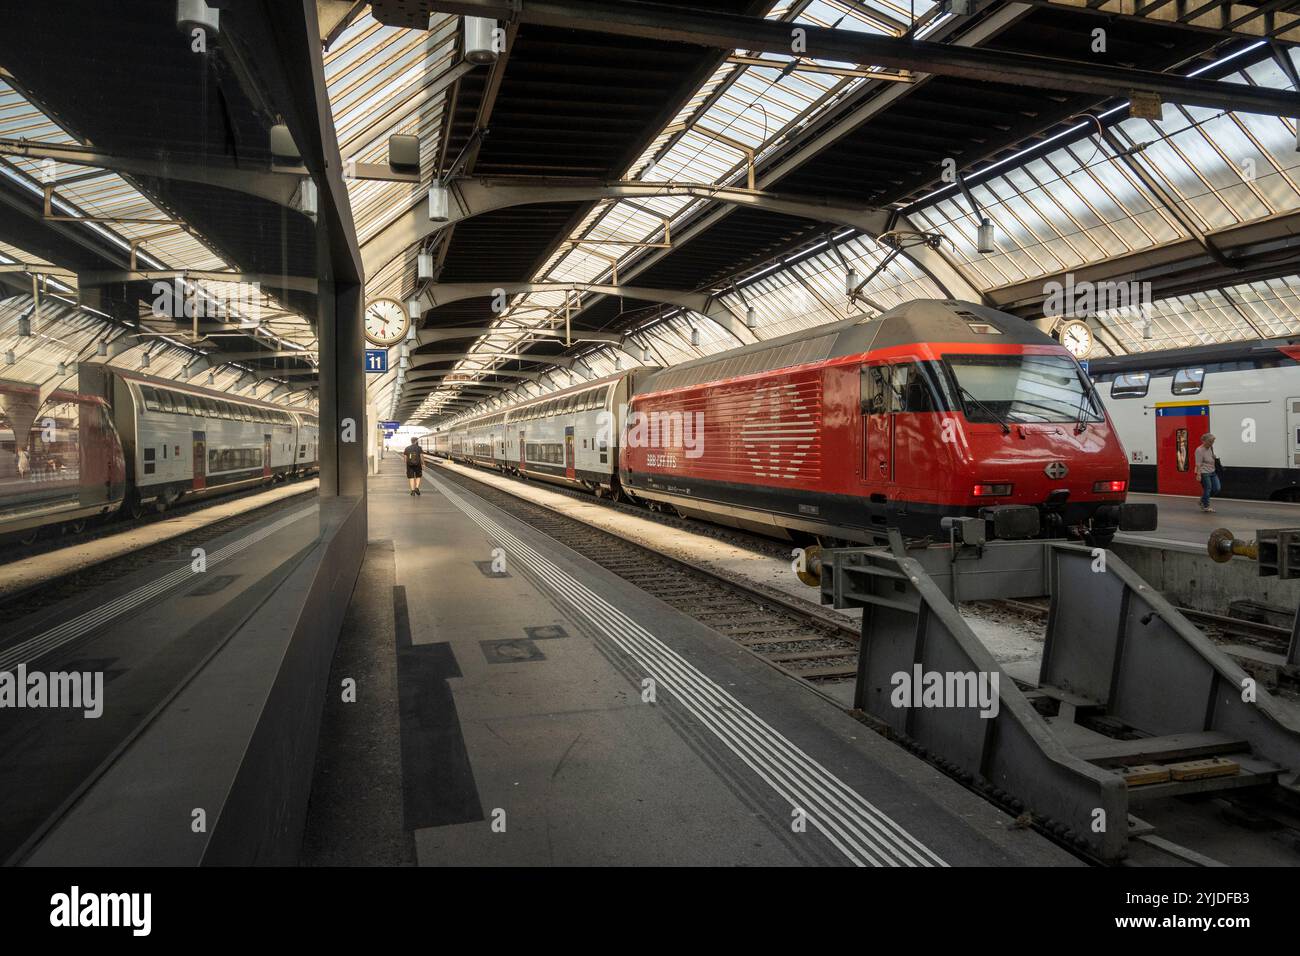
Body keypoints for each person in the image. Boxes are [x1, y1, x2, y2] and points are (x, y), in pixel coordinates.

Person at [1195, 432, 1220, 513]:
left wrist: (1214, 457)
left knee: (1217, 488)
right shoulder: (1199, 450)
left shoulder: (1210, 448)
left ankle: (1202, 500)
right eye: (1210, 441)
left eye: (1213, 442)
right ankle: (1206, 506)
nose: (1212, 443)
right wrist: (1198, 474)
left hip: (1212, 471)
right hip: (1204, 472)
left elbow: (1210, 457)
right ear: (1204, 441)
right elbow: (1198, 463)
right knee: (1208, 489)